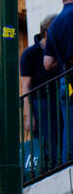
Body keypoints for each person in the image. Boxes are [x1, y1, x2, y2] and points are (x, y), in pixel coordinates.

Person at [20, 15, 59, 172]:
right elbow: (25, 87)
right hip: (40, 104)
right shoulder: (30, 54)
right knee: (46, 143)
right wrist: (29, 116)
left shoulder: (58, 51)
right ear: (47, 33)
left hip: (58, 101)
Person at [43, 0, 73, 163]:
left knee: (68, 125)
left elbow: (47, 63)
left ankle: (66, 165)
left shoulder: (54, 25)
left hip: (66, 80)